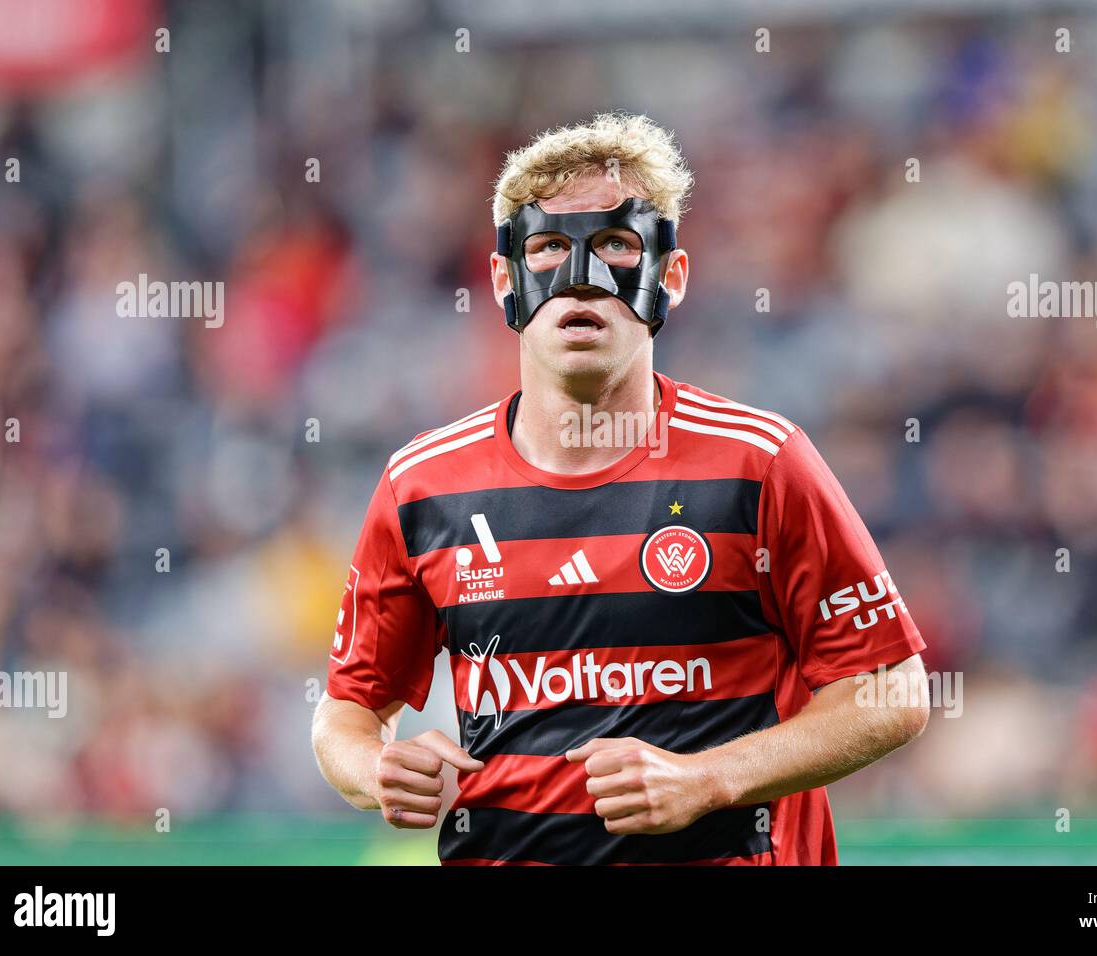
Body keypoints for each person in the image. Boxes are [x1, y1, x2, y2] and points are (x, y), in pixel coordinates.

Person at [312, 112, 929, 865]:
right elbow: (346, 711)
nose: (581, 278)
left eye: (614, 245)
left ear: (670, 277)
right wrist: (377, 770)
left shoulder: (760, 463)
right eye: (548, 248)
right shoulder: (422, 486)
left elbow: (891, 693)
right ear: (504, 279)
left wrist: (709, 778)